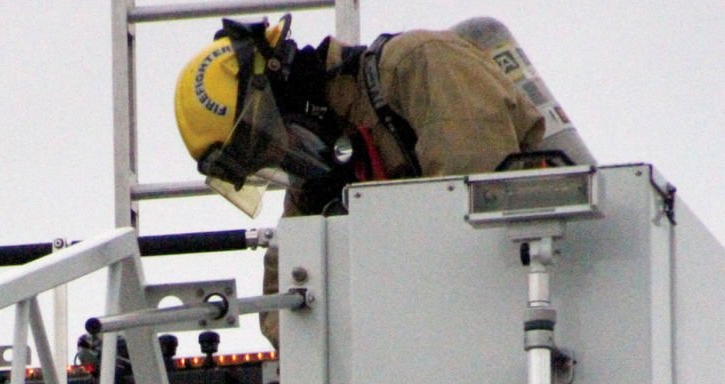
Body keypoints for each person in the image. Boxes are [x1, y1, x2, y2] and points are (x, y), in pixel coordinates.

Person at [175, 16, 548, 348]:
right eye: (262, 159)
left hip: (523, 309)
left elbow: (473, 216)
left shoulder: (419, 63)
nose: (281, 154)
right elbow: (283, 308)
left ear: (281, 86)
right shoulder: (320, 178)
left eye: (266, 138)